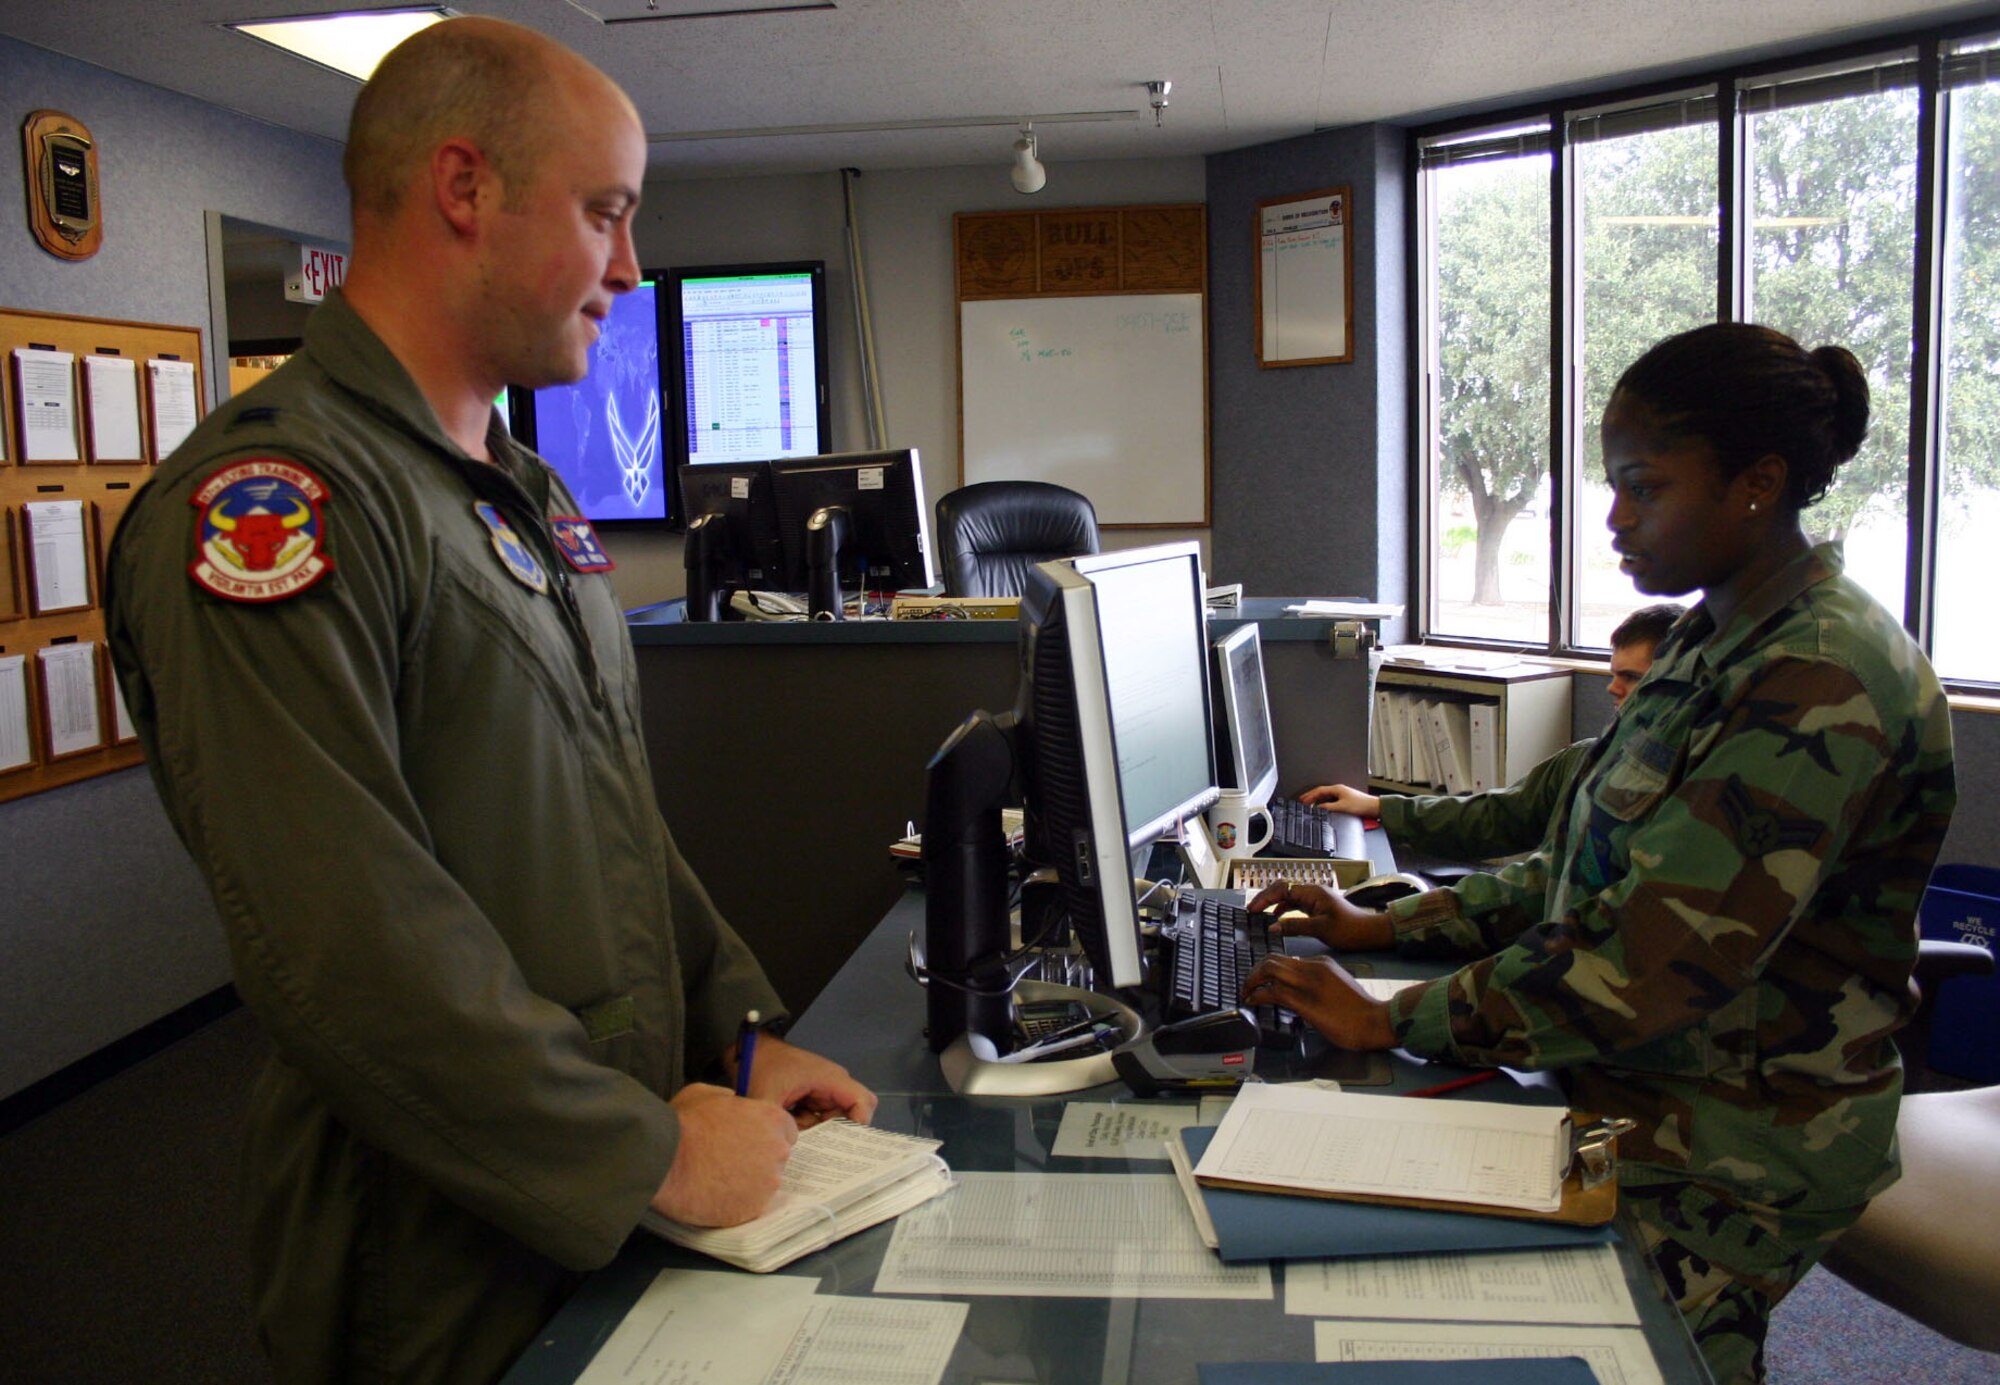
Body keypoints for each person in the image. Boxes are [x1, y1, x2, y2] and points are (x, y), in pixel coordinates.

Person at [104, 17, 874, 1385]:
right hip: (432, 1254)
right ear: (465, 189)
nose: (629, 271)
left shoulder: (527, 494)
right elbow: (344, 940)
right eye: (606, 215)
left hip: (598, 1188)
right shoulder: (281, 506)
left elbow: (615, 821)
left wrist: (739, 1039)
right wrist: (646, 1152)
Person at [1241, 323, 1956, 1384]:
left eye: (1643, 487)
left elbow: (1643, 956)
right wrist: (1388, 926)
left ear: (1755, 483)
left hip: (1734, 1146)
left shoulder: (1816, 675)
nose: (1615, 519)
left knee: (1510, 1340)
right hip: (1639, 1092)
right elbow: (1589, 864)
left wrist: (1391, 1014)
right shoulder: (1717, 637)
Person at [1302, 602, 1685, 864]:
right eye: (1613, 673)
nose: (1612, 688)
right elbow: (1495, 817)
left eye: (1631, 678)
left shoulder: (1690, 789)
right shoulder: (1586, 759)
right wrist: (1380, 807)